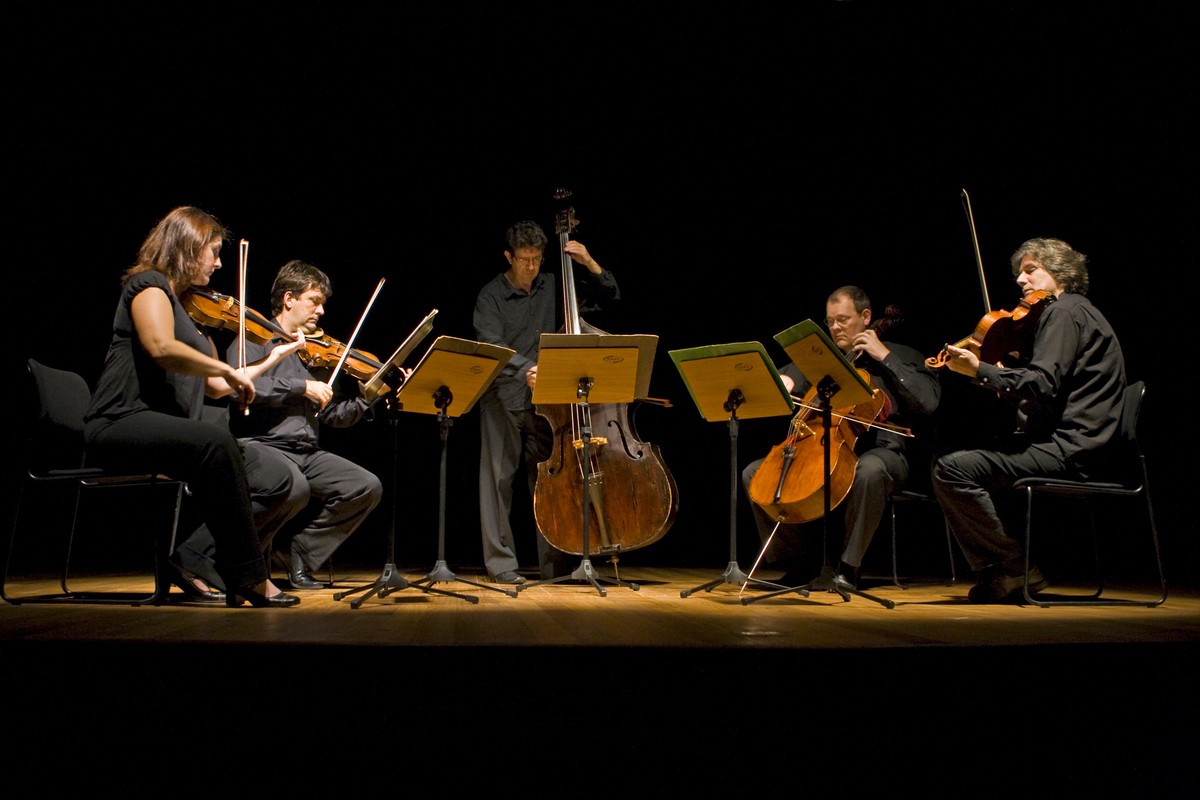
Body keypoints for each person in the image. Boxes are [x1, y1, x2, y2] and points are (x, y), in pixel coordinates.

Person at [83, 206, 304, 608]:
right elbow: (160, 348)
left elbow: (219, 387)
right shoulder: (148, 285)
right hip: (118, 420)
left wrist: (266, 361)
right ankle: (249, 577)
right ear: (188, 246)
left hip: (159, 425)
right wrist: (224, 366)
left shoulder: (184, 309)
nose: (220, 263)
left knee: (277, 476)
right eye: (214, 251)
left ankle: (198, 559)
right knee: (216, 443)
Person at [931, 237, 1126, 603]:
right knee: (971, 457)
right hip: (1080, 445)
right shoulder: (1075, 312)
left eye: (1031, 270)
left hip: (1073, 451)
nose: (1021, 280)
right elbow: (1048, 389)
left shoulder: (1064, 312)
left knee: (951, 468)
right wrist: (1000, 379)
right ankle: (1003, 573)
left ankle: (1016, 569)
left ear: (1060, 272)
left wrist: (981, 369)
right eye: (1020, 274)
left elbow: (1044, 383)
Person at [741, 286, 941, 590]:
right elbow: (788, 376)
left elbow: (927, 401)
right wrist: (780, 380)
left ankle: (850, 567)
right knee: (755, 473)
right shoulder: (829, 361)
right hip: (823, 448)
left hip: (885, 453)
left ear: (866, 317)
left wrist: (884, 357)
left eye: (843, 320)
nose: (835, 328)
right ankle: (800, 563)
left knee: (869, 470)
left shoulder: (903, 354)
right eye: (830, 321)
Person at [473, 219, 620, 584]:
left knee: (547, 483)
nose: (532, 266)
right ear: (509, 256)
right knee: (498, 483)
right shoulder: (490, 296)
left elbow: (608, 297)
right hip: (502, 399)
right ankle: (501, 565)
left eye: (537, 258)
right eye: (524, 259)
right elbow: (492, 346)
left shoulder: (554, 286)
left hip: (549, 402)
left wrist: (590, 263)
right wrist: (526, 367)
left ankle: (553, 566)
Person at [227, 260, 386, 590]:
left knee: (365, 486)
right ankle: (235, 559)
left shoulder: (315, 354)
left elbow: (331, 416)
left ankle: (298, 553)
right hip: (261, 445)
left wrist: (368, 397)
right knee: (294, 485)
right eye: (315, 301)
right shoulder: (254, 339)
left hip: (305, 451)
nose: (322, 311)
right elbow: (239, 387)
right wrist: (301, 387)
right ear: (289, 299)